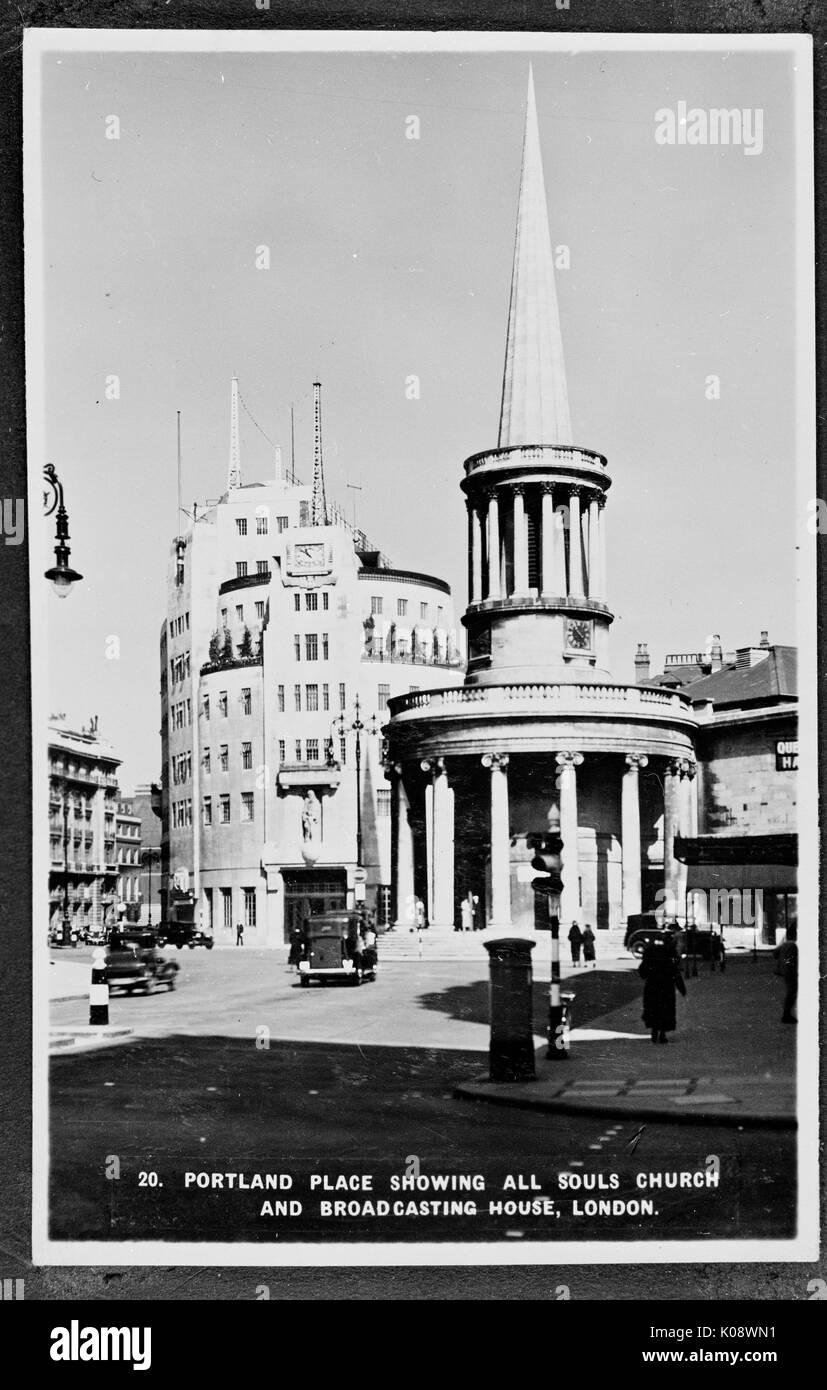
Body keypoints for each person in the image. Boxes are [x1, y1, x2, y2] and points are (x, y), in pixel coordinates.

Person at [639, 937, 686, 1043]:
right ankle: (662, 1034)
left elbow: (642, 971)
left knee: (653, 1009)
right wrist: (681, 988)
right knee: (665, 1010)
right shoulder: (670, 955)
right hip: (666, 987)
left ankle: (654, 1030)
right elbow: (676, 972)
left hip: (652, 986)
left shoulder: (650, 955)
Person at [773, 926, 798, 1023]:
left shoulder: (784, 945)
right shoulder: (793, 946)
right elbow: (792, 960)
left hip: (784, 971)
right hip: (790, 972)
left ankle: (787, 1014)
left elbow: (775, 953)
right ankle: (786, 1014)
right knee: (792, 992)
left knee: (790, 991)